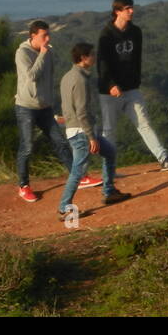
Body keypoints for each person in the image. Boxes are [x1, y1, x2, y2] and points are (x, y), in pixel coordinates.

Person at [15, 20, 98, 202]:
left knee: (60, 142)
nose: (48, 38)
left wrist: (52, 102)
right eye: (44, 35)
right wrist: (43, 54)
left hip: (45, 107)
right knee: (27, 147)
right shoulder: (22, 53)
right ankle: (24, 186)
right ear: (33, 36)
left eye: (48, 35)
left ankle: (80, 177)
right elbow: (32, 77)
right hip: (26, 107)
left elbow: (50, 77)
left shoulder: (49, 51)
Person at [97, 0, 168, 171]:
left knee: (144, 123)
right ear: (117, 11)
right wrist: (110, 84)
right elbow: (102, 63)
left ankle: (164, 158)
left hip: (131, 88)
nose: (132, 11)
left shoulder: (136, 32)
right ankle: (108, 170)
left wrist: (135, 81)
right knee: (109, 131)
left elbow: (136, 60)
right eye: (127, 8)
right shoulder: (106, 34)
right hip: (109, 92)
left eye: (132, 7)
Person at [57, 43, 130, 222]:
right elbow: (81, 111)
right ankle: (64, 207)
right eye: (92, 55)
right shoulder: (80, 80)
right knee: (78, 170)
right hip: (82, 132)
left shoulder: (67, 76)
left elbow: (68, 106)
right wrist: (91, 137)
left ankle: (109, 191)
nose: (94, 57)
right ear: (83, 58)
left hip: (76, 129)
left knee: (110, 152)